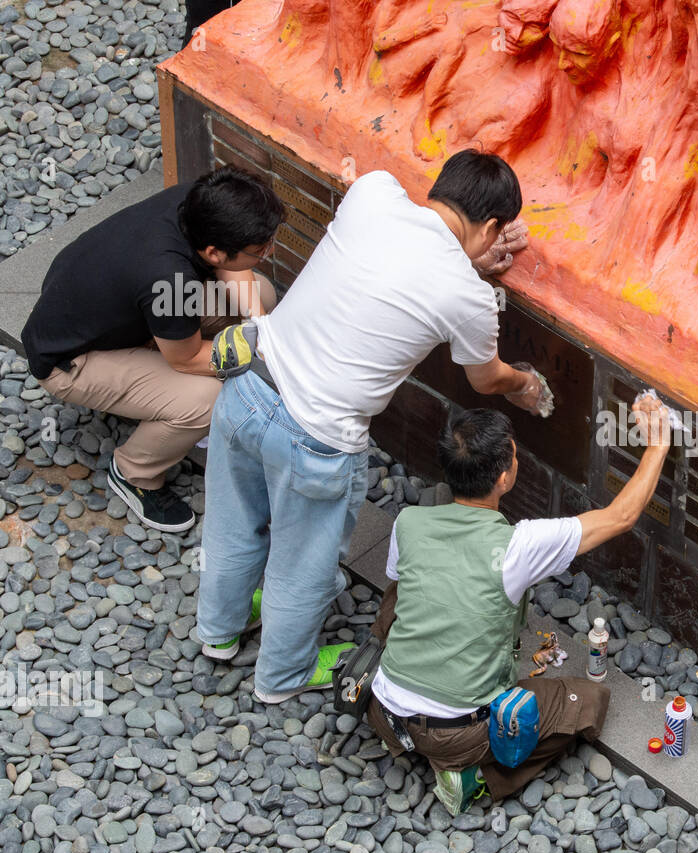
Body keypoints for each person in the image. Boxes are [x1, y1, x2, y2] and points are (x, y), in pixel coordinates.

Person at [194, 149, 545, 705]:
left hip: (247, 389)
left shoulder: (373, 191)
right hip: (315, 439)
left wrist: (465, 260)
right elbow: (485, 379)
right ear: (495, 228)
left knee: (233, 525)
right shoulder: (470, 296)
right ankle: (281, 677)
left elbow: (397, 262)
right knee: (301, 562)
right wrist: (524, 385)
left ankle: (217, 632)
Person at [363, 396, 672, 815]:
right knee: (589, 701)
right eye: (514, 454)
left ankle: (406, 732)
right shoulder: (517, 547)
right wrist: (658, 443)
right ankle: (474, 778)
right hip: (456, 735)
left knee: (398, 591)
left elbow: (398, 601)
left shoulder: (409, 523)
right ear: (505, 476)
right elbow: (619, 517)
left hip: (383, 710)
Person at [21, 167, 282, 532]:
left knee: (261, 295)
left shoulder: (204, 201)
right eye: (260, 250)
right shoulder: (170, 281)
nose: (268, 253)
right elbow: (187, 358)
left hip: (114, 310)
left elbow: (234, 273)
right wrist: (259, 356)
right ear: (213, 252)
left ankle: (158, 378)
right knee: (209, 399)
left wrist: (262, 327)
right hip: (72, 360)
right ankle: (133, 474)